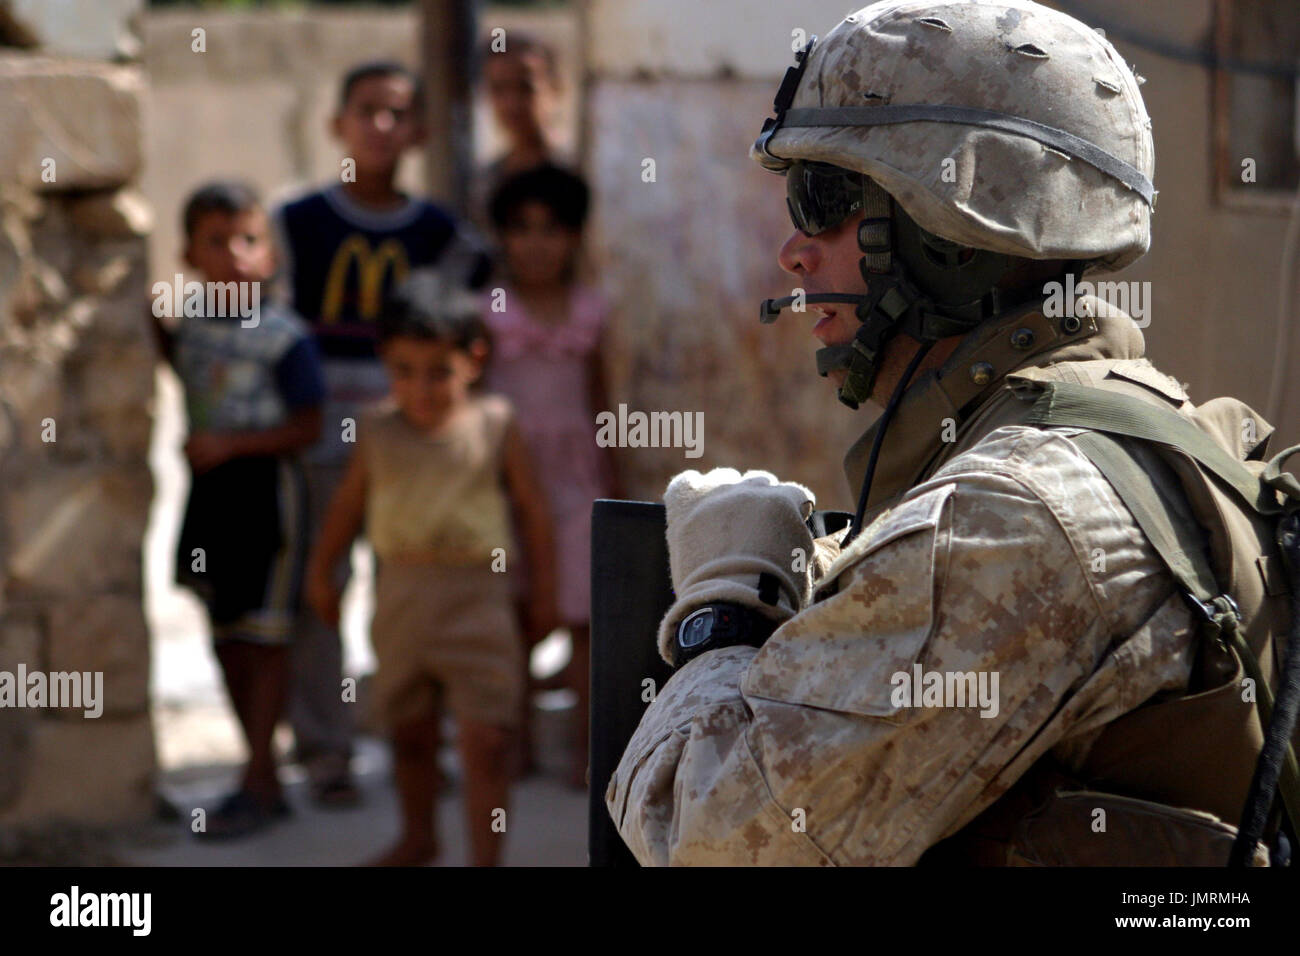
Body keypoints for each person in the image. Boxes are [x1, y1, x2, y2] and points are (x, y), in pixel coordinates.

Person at [606, 0, 1300, 866]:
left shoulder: (1017, 516)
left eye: (823, 199)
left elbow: (709, 837)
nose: (792, 251)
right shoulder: (1141, 423)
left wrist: (721, 613)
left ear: (951, 233)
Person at [273, 60, 492, 807]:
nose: (381, 126)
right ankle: (327, 752)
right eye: (366, 110)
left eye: (398, 113)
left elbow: (467, 342)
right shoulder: (295, 223)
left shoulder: (443, 235)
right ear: (338, 124)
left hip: (415, 442)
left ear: (421, 131)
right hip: (323, 445)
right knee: (322, 589)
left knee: (419, 591)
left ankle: (424, 745)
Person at [305, 271, 557, 867]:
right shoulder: (376, 431)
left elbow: (534, 513)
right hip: (400, 601)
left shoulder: (495, 424)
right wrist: (321, 574)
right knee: (409, 735)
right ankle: (418, 837)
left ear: (472, 359)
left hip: (480, 603)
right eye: (403, 372)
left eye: (438, 372)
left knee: (489, 740)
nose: (421, 389)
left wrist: (544, 595)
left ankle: (484, 860)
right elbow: (345, 508)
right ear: (385, 365)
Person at [157, 180, 325, 839]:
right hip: (209, 496)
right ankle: (260, 772)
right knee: (223, 627)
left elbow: (310, 425)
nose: (236, 255)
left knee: (266, 635)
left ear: (270, 253)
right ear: (188, 253)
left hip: (266, 495)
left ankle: (259, 777)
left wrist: (232, 443)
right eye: (216, 241)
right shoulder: (191, 324)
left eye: (249, 239)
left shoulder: (283, 336)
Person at [482, 163, 620, 787]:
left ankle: (582, 754)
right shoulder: (488, 312)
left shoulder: (590, 310)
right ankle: (517, 749)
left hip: (574, 482)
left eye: (551, 229)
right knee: (512, 617)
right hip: (507, 482)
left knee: (584, 619)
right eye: (522, 229)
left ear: (574, 237)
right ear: (503, 237)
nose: (536, 243)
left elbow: (601, 401)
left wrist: (612, 489)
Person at [471, 33, 566, 228]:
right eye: (499, 89)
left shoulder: (577, 172)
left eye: (525, 88)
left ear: (555, 88)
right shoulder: (484, 185)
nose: (512, 103)